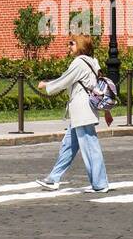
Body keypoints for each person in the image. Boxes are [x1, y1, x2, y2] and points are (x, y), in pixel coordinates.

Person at [35, 35, 109, 192]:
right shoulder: (93, 62)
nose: (68, 46)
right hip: (83, 112)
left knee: (90, 147)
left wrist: (47, 85)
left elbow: (65, 80)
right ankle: (53, 179)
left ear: (81, 46)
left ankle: (100, 184)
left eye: (72, 43)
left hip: (82, 111)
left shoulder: (79, 62)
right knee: (68, 146)